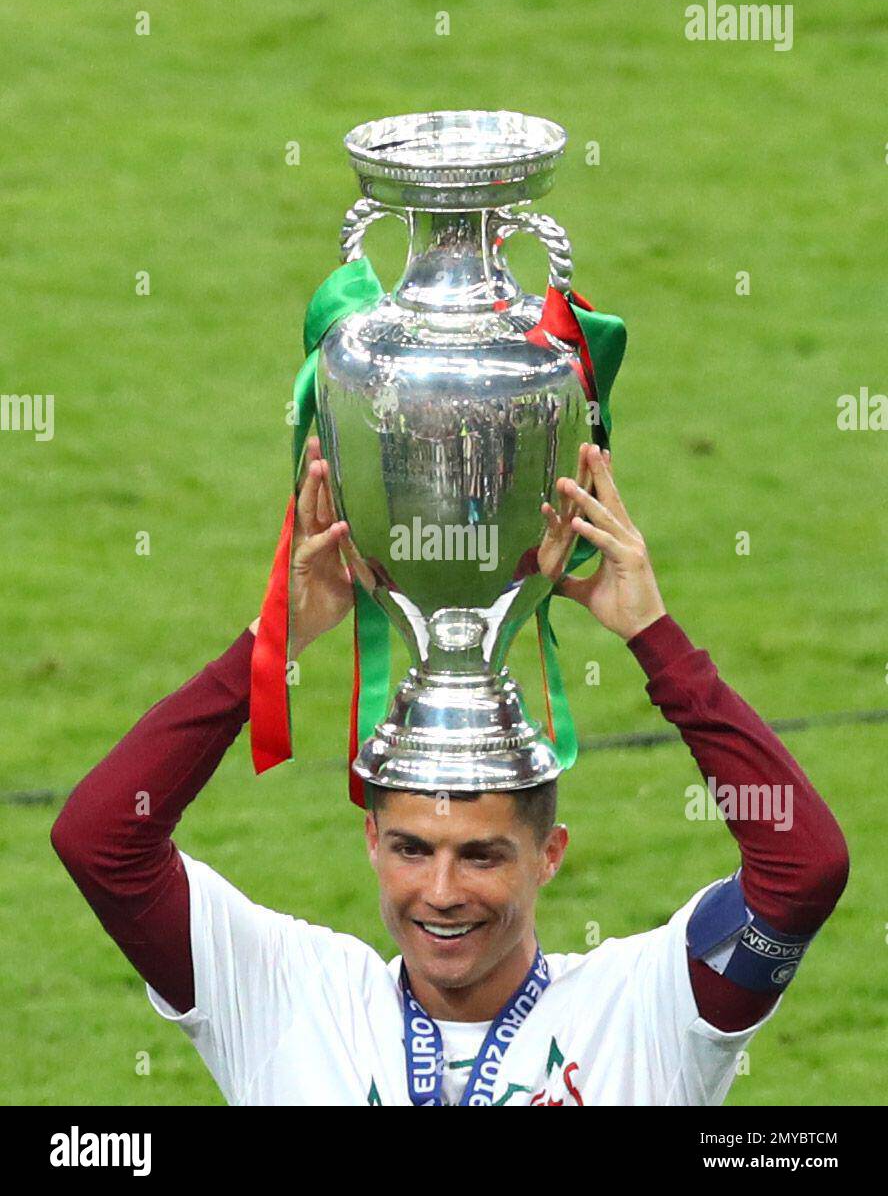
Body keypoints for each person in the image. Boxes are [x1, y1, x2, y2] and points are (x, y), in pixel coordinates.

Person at [51, 440, 849, 1106]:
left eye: (481, 854)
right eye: (411, 848)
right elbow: (101, 839)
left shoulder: (646, 1007)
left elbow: (802, 873)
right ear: (369, 838)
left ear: (551, 853)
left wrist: (653, 637)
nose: (439, 892)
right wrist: (270, 643)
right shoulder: (287, 996)